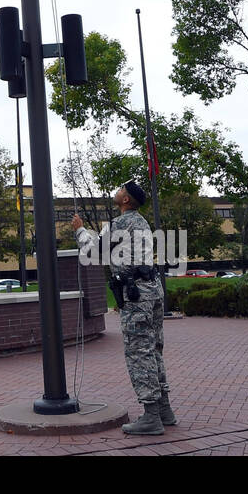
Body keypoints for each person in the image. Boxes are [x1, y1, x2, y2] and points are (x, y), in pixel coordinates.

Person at [71, 180, 176, 435]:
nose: (117, 192)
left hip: (136, 295)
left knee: (139, 352)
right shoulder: (141, 222)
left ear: (126, 200)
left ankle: (151, 417)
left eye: (120, 190)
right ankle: (164, 410)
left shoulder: (121, 223)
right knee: (153, 349)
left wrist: (80, 230)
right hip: (152, 291)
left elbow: (93, 252)